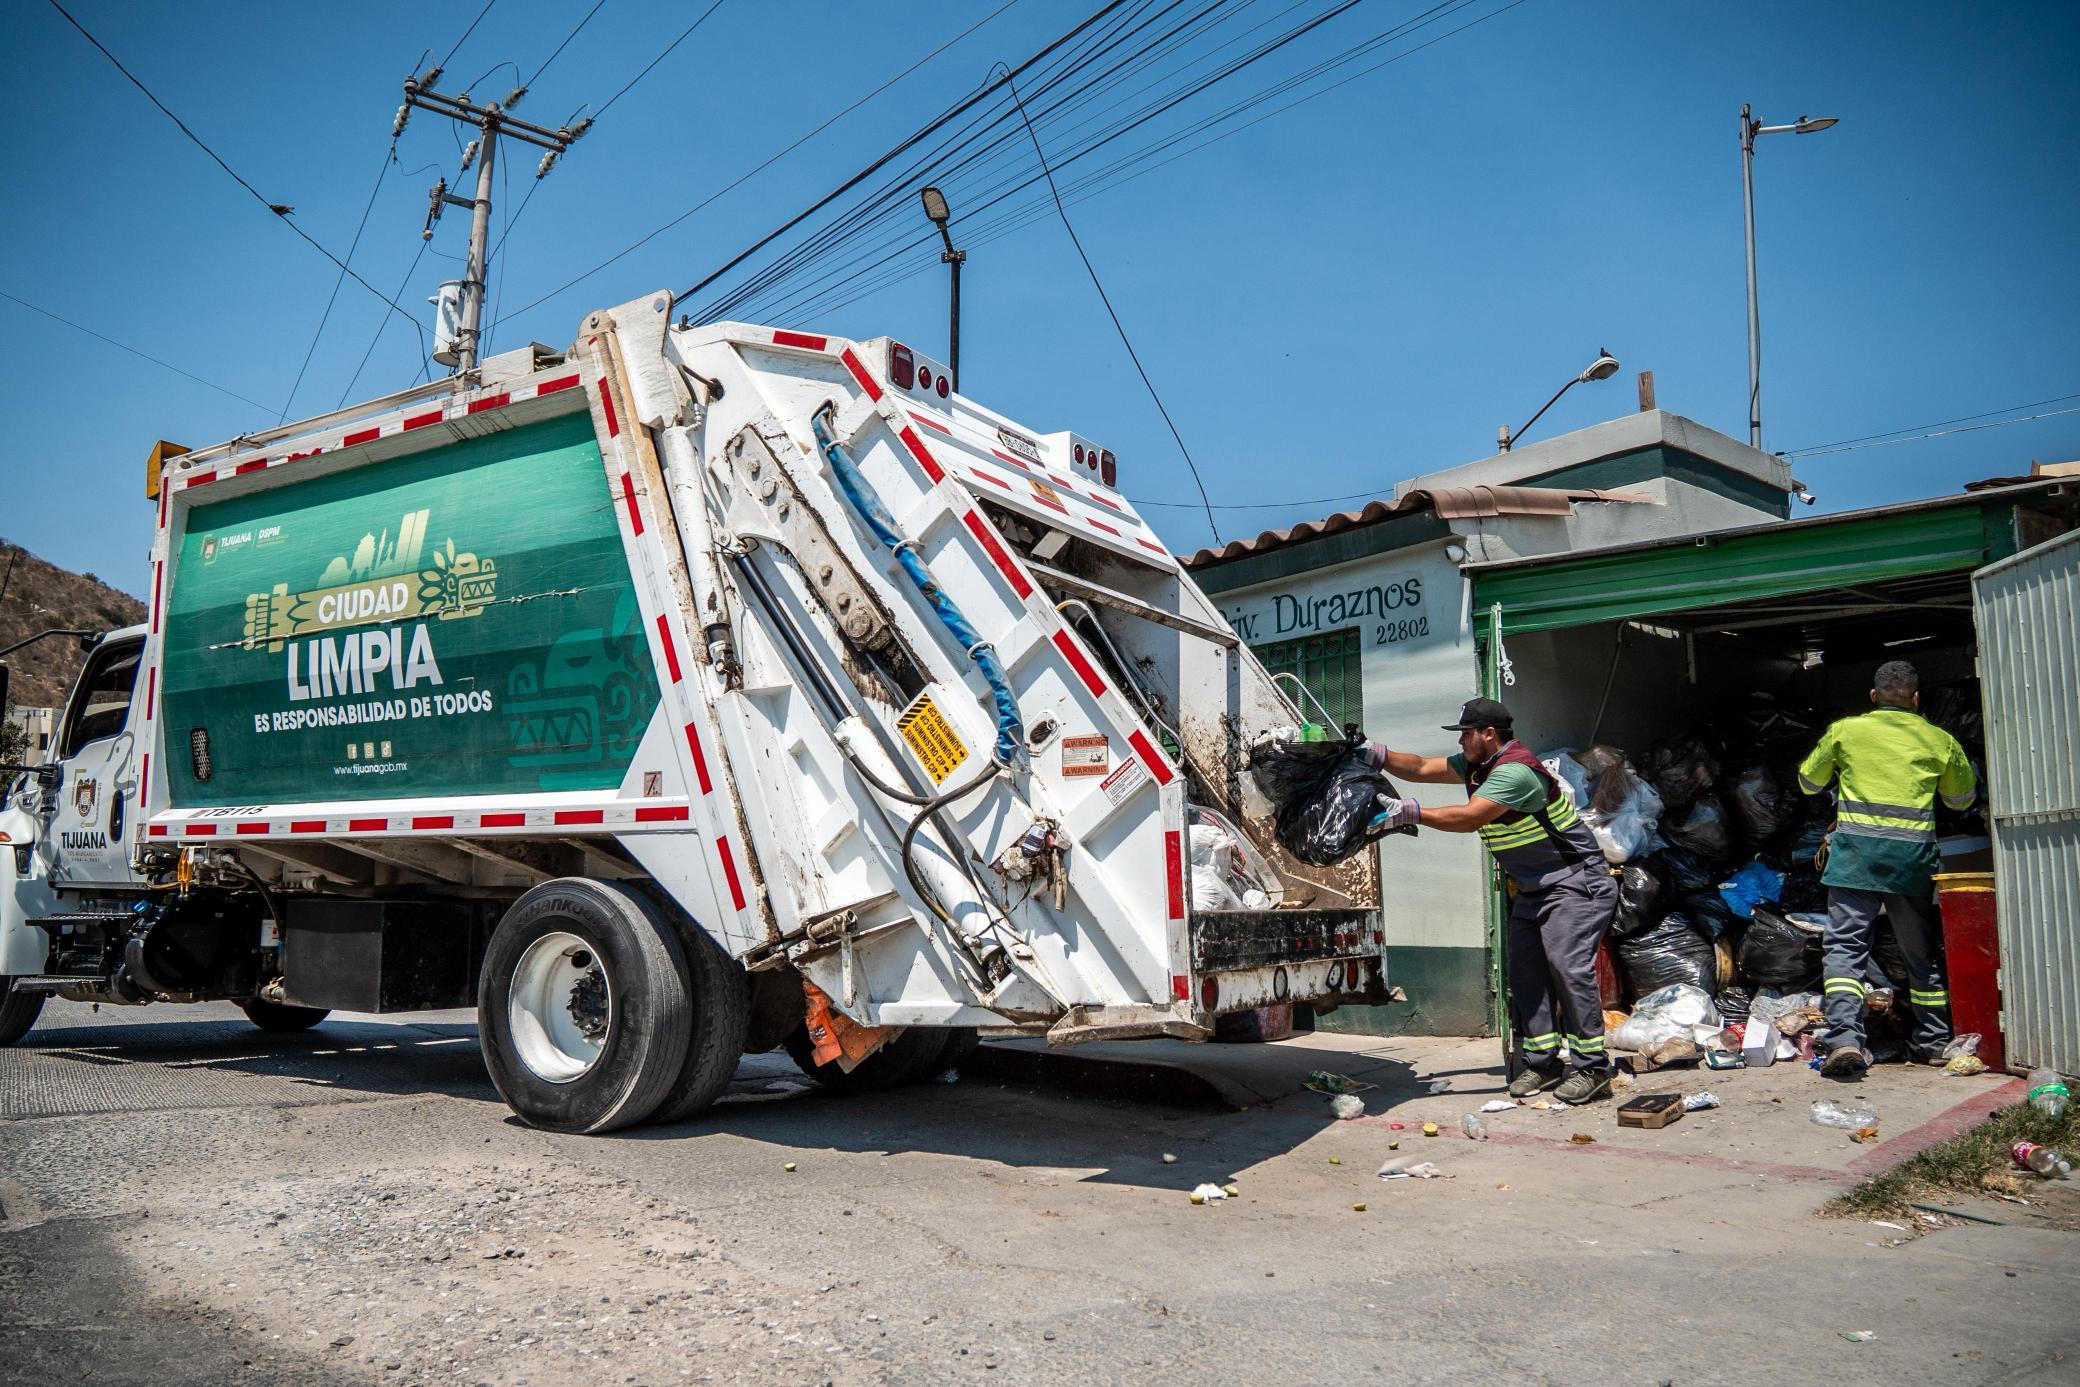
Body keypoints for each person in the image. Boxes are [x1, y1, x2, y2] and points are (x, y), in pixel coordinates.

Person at [1369, 698, 1618, 1105]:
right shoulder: (1478, 765)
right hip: (1535, 886)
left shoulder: (1515, 772)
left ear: (1489, 734)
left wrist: (1412, 813)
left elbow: (1470, 818)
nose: (1462, 740)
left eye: (1466, 733)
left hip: (1575, 882)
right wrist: (1375, 754)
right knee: (1527, 973)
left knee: (1567, 967)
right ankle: (1542, 1061)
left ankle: (1592, 1067)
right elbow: (1418, 767)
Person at [1796, 660, 1977, 1079]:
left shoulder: (1846, 731)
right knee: (1921, 956)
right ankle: (1933, 1042)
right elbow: (1962, 800)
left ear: (1873, 697)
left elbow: (1807, 782)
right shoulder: (1939, 739)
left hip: (1855, 859)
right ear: (1916, 699)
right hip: (1911, 863)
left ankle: (1844, 1041)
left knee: (1844, 949)